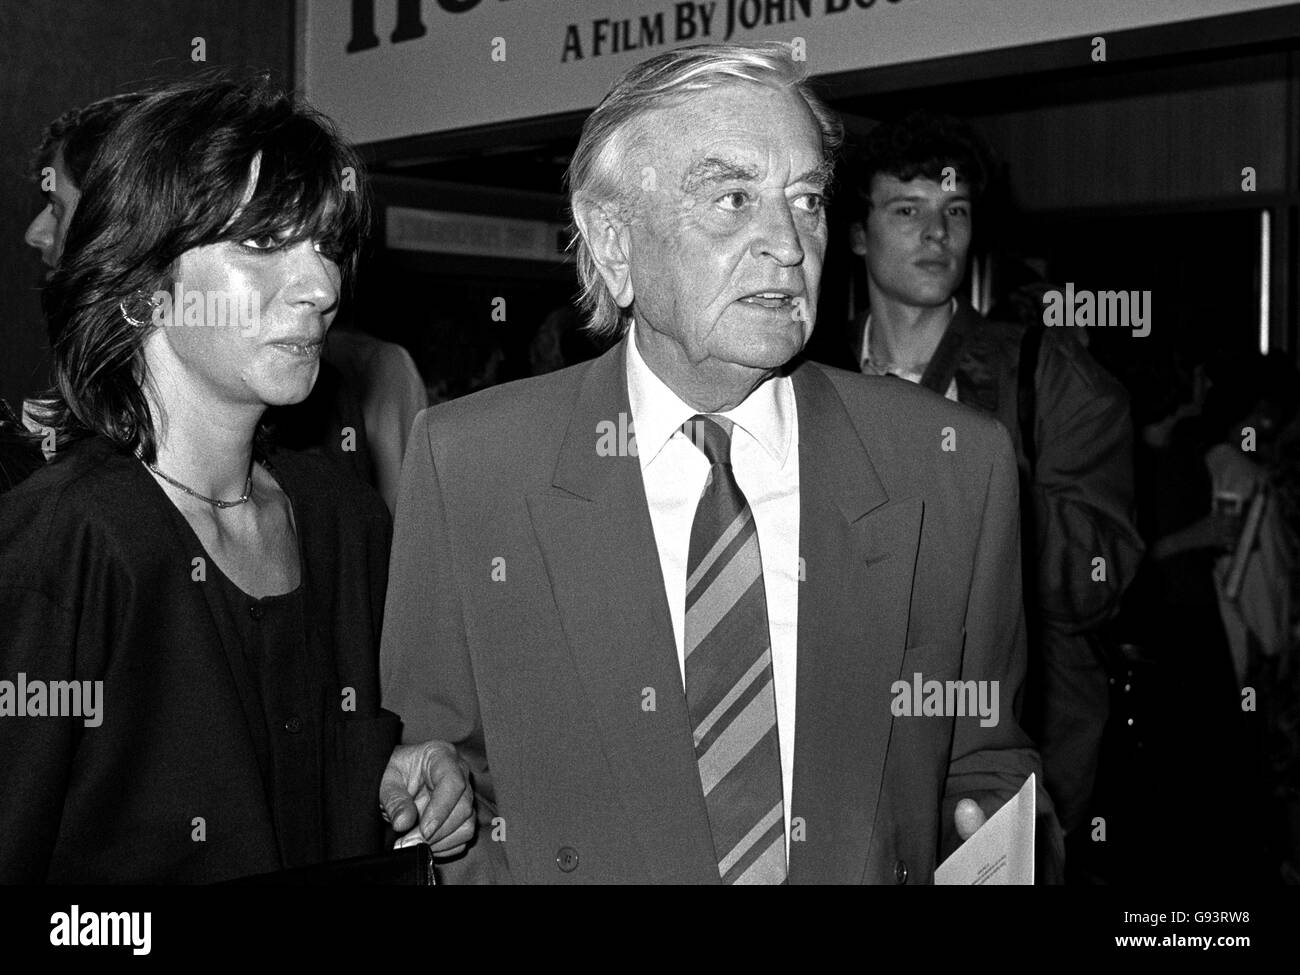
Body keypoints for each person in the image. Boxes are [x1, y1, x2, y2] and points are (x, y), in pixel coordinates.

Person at [380, 43, 1059, 884]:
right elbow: (440, 779)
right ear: (614, 241)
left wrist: (998, 841)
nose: (786, 241)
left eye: (806, 199)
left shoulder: (951, 466)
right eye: (733, 198)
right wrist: (440, 817)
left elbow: (988, 759)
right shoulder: (471, 464)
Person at [0, 75, 471, 883]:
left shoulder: (340, 518)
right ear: (143, 285)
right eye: (262, 245)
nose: (321, 287)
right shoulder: (70, 540)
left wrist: (383, 777)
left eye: (325, 244)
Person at [824, 111, 1144, 862]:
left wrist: (986, 489)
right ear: (859, 234)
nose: (938, 234)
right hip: (853, 757)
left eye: (955, 212)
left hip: (1013, 750)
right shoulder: (811, 380)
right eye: (908, 210)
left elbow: (1104, 574)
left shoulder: (1041, 372)